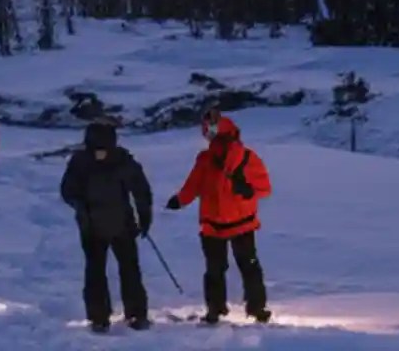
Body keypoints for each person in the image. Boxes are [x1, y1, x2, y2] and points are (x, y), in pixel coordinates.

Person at [165, 109, 272, 324]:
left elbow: (192, 186)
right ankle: (256, 309)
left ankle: (216, 309)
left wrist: (179, 200)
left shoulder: (216, 158)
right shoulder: (242, 157)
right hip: (237, 223)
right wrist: (180, 199)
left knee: (216, 269)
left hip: (216, 225)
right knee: (248, 266)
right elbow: (264, 188)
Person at [60, 122, 153, 333]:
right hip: (118, 224)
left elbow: (67, 191)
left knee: (96, 271)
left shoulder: (80, 161)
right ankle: (136, 315)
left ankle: (100, 318)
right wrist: (145, 217)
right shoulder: (122, 159)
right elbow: (141, 191)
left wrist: (80, 207)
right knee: (127, 269)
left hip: (94, 226)